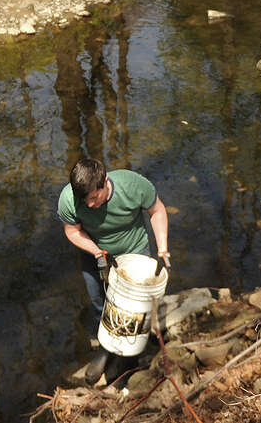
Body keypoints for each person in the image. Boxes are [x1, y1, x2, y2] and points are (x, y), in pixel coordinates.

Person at [57, 158, 170, 383]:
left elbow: (157, 210)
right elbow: (72, 231)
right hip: (95, 252)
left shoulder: (134, 186)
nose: (89, 205)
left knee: (136, 306)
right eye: (84, 200)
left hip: (134, 248)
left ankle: (133, 353)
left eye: (93, 198)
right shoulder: (69, 198)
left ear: (105, 182)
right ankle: (106, 347)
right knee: (99, 300)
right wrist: (96, 252)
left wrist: (163, 246)